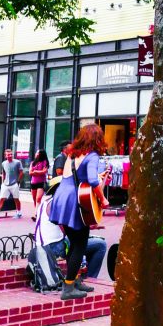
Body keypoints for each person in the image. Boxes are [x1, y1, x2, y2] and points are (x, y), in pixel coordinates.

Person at [49, 124, 109, 301]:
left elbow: (79, 179)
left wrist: (101, 179)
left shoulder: (72, 154)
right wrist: (103, 200)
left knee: (74, 242)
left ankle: (74, 280)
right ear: (97, 139)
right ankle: (68, 288)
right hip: (75, 203)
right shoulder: (92, 156)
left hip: (62, 199)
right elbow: (90, 180)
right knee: (80, 245)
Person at [34, 192, 108, 281]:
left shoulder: (45, 202)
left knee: (83, 241)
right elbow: (67, 230)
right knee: (100, 245)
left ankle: (79, 276)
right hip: (55, 247)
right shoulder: (58, 204)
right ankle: (90, 279)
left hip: (44, 245)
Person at [0, 149, 23, 219]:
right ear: (5, 156)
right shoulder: (3, 163)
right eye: (8, 154)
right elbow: (3, 173)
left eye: (11, 154)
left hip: (14, 184)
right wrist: (3, 182)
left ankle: (19, 213)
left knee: (16, 199)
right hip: (5, 185)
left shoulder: (17, 162)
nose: (10, 155)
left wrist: (18, 181)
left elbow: (21, 172)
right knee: (1, 199)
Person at [29, 149, 49, 217]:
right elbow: (30, 172)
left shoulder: (44, 162)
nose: (36, 154)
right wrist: (38, 172)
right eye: (36, 153)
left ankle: (36, 215)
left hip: (41, 182)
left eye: (38, 153)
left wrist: (35, 172)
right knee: (35, 200)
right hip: (33, 183)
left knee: (38, 198)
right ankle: (38, 211)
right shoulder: (33, 162)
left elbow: (44, 171)